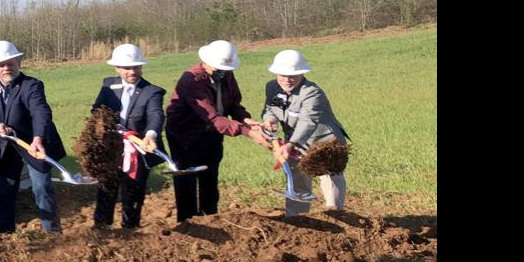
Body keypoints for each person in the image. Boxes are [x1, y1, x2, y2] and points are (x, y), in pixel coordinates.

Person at [163, 40, 268, 220]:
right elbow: (212, 117)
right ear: (206, 61)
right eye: (218, 68)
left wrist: (246, 120)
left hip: (211, 133)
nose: (223, 72)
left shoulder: (226, 75)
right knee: (186, 178)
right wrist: (248, 133)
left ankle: (210, 218)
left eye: (225, 69)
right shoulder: (191, 80)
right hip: (185, 136)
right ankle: (188, 222)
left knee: (210, 176)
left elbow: (233, 104)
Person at [0, 40, 67, 234]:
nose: (6, 67)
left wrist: (38, 138)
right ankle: (3, 233)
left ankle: (52, 232)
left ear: (19, 62)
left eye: (11, 62)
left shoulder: (31, 85)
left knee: (42, 188)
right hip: (4, 147)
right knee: (4, 192)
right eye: (1, 64)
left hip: (33, 145)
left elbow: (40, 112)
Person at [260, 50, 351, 216]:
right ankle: (298, 217)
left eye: (293, 75)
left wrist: (291, 144)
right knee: (298, 175)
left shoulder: (312, 93)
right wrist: (269, 120)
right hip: (294, 142)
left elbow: (307, 122)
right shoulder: (272, 87)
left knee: (330, 175)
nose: (287, 80)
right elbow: (271, 108)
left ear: (302, 73)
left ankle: (335, 213)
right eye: (283, 75)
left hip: (324, 140)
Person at [90, 44, 165, 229]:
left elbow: (156, 114)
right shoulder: (108, 85)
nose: (131, 71)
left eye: (135, 67)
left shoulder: (152, 91)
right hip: (111, 146)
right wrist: (102, 123)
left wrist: (150, 134)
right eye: (126, 68)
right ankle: (101, 227)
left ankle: (130, 229)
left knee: (133, 191)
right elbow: (96, 109)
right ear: (116, 68)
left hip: (138, 149)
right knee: (106, 188)